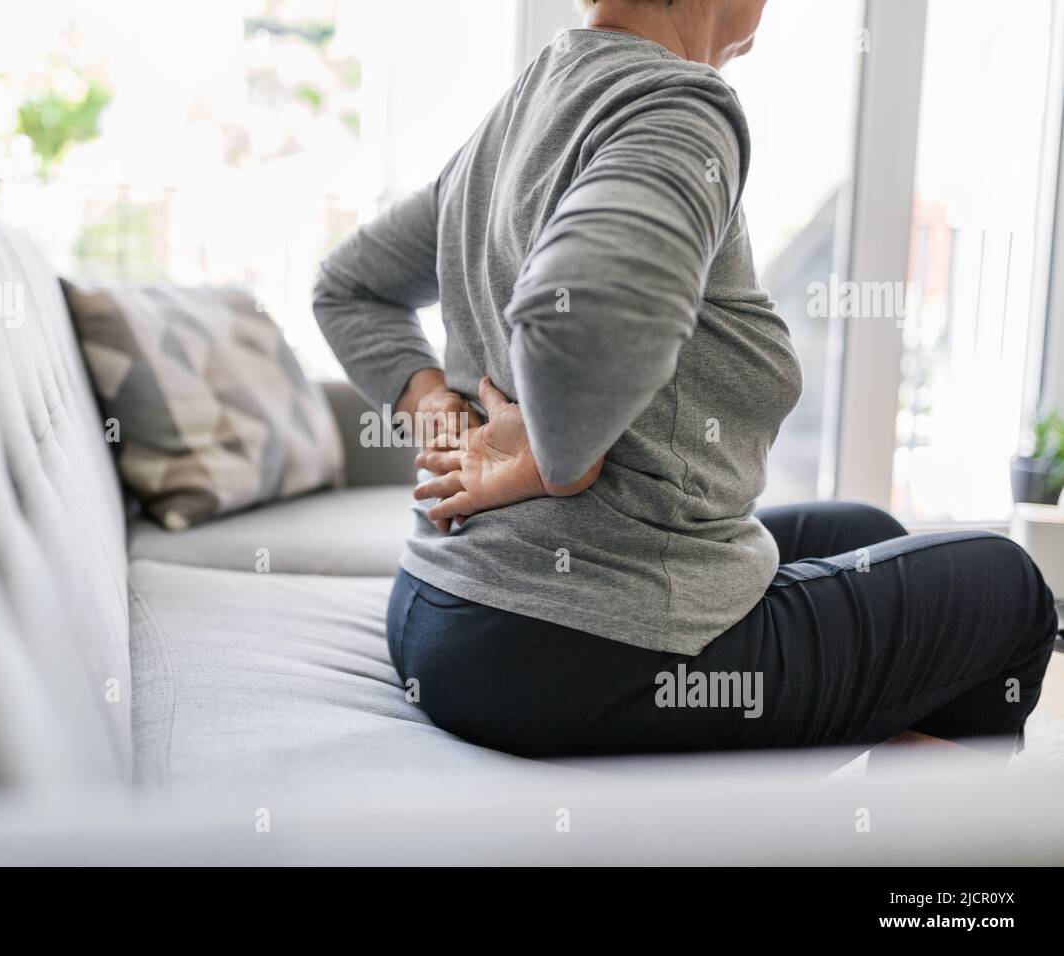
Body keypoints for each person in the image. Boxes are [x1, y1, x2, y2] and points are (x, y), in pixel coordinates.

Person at [312, 0, 1058, 759]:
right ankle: (934, 876)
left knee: (859, 532)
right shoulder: (677, 105)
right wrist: (554, 458)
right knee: (1008, 590)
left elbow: (347, 285)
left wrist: (439, 408)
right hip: (575, 645)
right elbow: (582, 310)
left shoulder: (524, 108)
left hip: (442, 611)